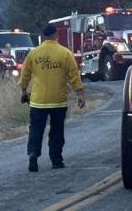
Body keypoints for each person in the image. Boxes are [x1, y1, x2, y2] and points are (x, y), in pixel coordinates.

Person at [19, 23, 86, 172]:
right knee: (57, 130)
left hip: (38, 101)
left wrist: (24, 91)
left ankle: (33, 156)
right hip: (58, 100)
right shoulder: (65, 53)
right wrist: (80, 94)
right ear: (56, 35)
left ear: (43, 36)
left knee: (36, 129)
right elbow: (74, 76)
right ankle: (56, 160)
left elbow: (25, 75)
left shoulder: (34, 53)